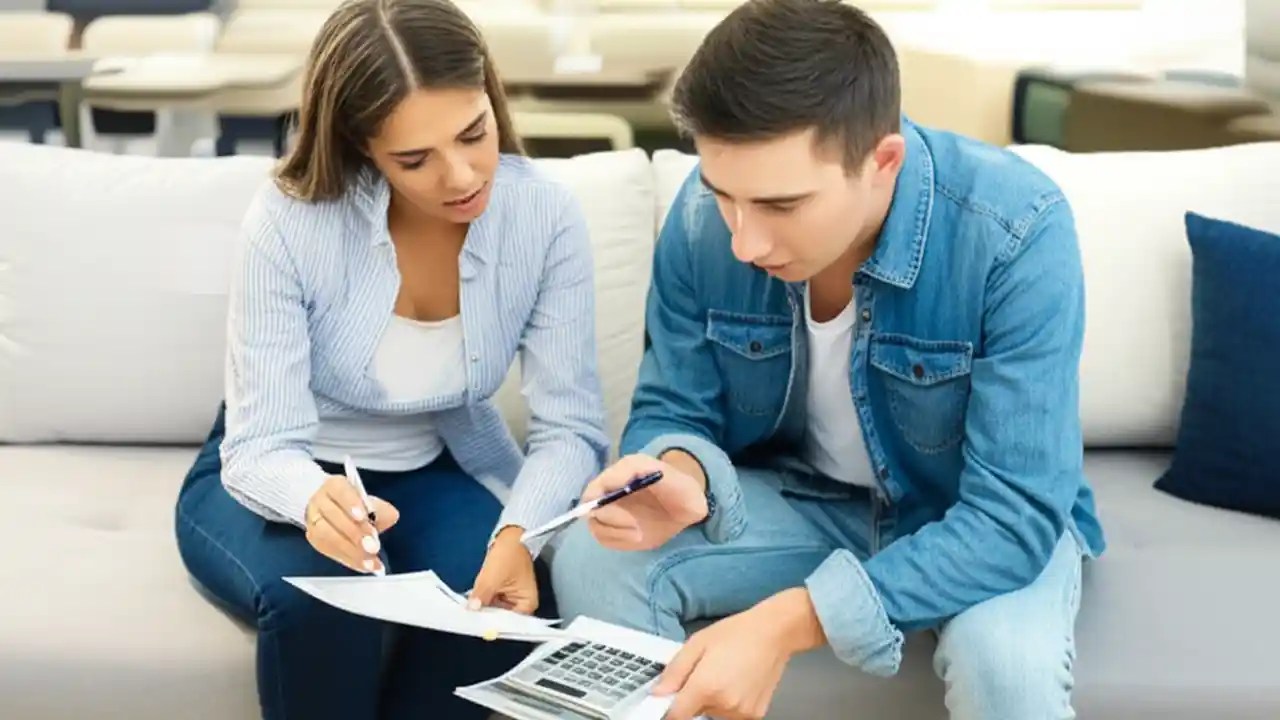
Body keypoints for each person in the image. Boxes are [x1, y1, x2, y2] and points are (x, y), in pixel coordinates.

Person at [550, 1, 1107, 718]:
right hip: (804, 506)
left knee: (1007, 668)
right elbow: (673, 407)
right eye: (726, 197)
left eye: (782, 205)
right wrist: (678, 473)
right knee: (593, 557)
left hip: (966, 518)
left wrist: (791, 621)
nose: (745, 241)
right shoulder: (700, 219)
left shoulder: (1015, 230)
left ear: (882, 162)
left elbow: (1013, 515)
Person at [173, 1, 608, 718]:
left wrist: (518, 534)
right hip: (279, 467)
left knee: (492, 609)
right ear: (362, 147)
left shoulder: (546, 216)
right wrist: (310, 499)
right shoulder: (286, 222)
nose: (461, 175)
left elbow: (572, 430)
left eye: (474, 133)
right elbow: (258, 447)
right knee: (321, 604)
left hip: (433, 467)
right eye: (414, 159)